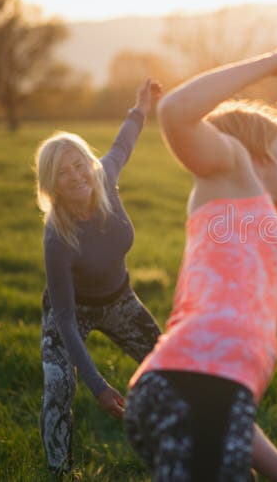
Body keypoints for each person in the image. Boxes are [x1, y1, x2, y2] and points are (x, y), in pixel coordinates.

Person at [124, 44, 277, 481]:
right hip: (191, 389)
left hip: (200, 391)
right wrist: (273, 64)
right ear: (257, 155)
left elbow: (227, 399)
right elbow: (175, 112)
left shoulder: (258, 227)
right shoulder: (235, 174)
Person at [35, 79, 164, 474]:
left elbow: (124, 142)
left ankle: (182, 449)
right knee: (59, 386)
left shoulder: (105, 176)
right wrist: (98, 386)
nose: (76, 176)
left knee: (169, 369)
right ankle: (60, 471)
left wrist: (140, 106)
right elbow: (68, 320)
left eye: (79, 165)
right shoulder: (58, 236)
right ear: (51, 185)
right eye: (62, 173)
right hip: (72, 311)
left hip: (121, 301)